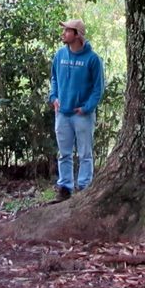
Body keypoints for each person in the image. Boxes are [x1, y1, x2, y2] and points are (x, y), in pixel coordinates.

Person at [48, 18, 104, 202]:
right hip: (62, 113)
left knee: (85, 153)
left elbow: (98, 88)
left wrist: (87, 107)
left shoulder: (93, 59)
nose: (63, 34)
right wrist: (54, 97)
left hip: (82, 115)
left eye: (67, 31)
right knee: (64, 153)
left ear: (77, 34)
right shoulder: (60, 55)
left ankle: (84, 187)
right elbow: (54, 78)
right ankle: (65, 188)